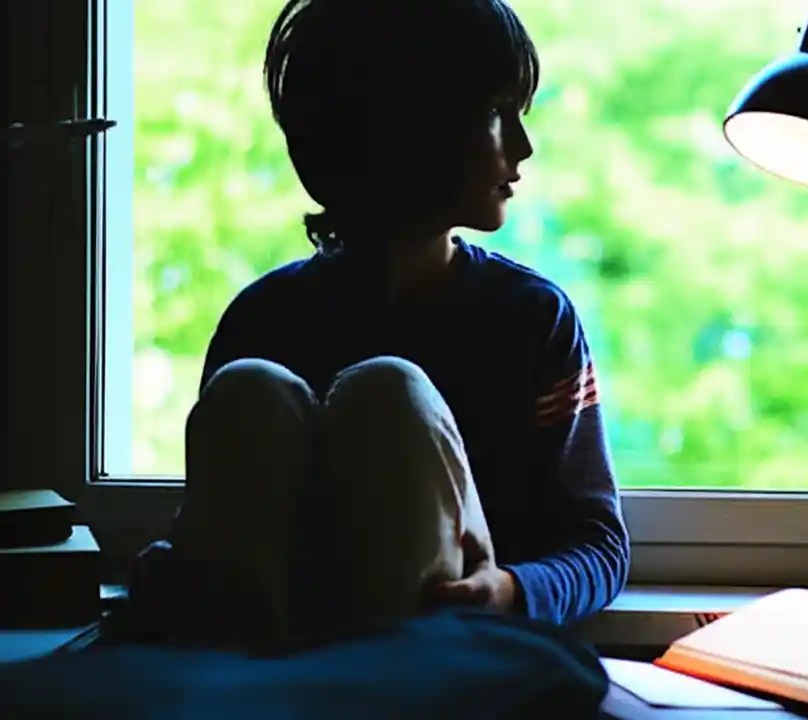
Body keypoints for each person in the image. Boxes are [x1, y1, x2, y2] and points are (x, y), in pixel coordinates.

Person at [120, 0, 630, 648]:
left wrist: (510, 591)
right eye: (497, 114)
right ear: (415, 127)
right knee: (253, 393)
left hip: (452, 650)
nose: (524, 146)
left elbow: (598, 542)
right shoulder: (262, 321)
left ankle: (385, 676)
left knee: (388, 395)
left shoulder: (532, 321)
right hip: (274, 654)